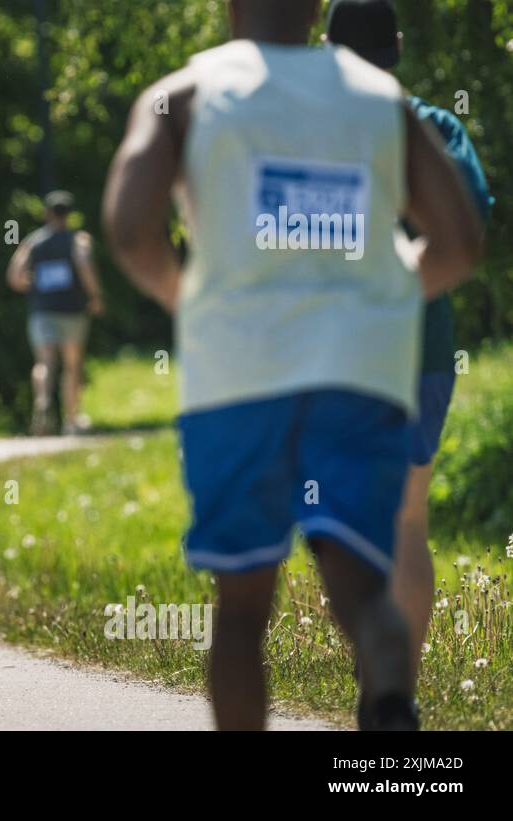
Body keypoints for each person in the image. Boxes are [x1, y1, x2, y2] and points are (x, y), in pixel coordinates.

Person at [102, 0, 482, 730]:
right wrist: (380, 297)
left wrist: (191, 298)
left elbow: (127, 227)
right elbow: (460, 241)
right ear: (316, 9)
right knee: (365, 587)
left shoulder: (182, 95)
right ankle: (390, 717)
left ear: (227, 4)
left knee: (242, 607)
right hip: (360, 377)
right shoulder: (382, 98)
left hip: (237, 378)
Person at [324, 0, 494, 689]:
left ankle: (374, 676)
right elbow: (470, 221)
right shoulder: (435, 124)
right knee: (407, 517)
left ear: (327, 44)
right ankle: (394, 692)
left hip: (329, 347)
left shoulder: (306, 129)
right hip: (422, 343)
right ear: (395, 45)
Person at [5, 190, 105, 436]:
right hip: (72, 310)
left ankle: (42, 401)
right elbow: (83, 265)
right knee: (72, 366)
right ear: (70, 214)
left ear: (46, 213)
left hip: (43, 310)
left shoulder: (33, 242)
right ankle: (71, 420)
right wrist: (95, 296)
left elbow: (15, 276)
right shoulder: (78, 239)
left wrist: (31, 284)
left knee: (44, 362)